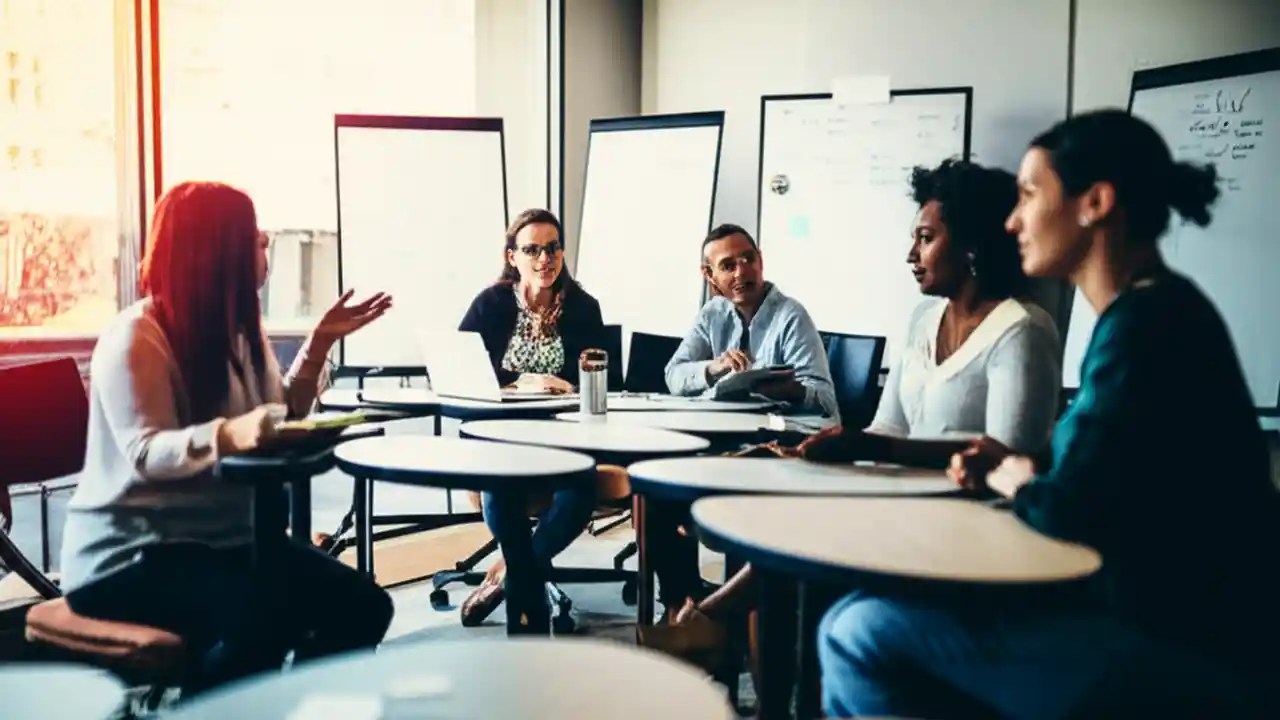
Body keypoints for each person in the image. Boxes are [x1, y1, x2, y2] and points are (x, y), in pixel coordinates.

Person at [820, 110, 1279, 718]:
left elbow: (1069, 508)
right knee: (863, 612)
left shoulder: (1144, 328)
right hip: (1166, 617)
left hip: (1182, 644)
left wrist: (1016, 477)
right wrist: (1027, 464)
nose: (1013, 221)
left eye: (1031, 195)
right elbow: (1103, 467)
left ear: (1096, 204)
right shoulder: (1153, 312)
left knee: (856, 631)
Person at [668, 159, 1063, 679]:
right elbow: (888, 427)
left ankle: (710, 624)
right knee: (780, 512)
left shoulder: (1023, 330)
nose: (911, 254)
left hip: (968, 517)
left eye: (925, 239)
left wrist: (871, 448)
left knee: (801, 533)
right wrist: (819, 450)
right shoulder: (922, 320)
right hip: (901, 494)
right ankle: (730, 646)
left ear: (971, 245)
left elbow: (1006, 462)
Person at [58, 181, 394, 692]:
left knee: (365, 606)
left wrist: (319, 344)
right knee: (266, 620)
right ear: (217, 251)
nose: (265, 244)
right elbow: (147, 452)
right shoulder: (137, 335)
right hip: (131, 555)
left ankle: (291, 706)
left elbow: (280, 414)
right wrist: (231, 434)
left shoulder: (240, 331)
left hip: (225, 543)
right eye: (253, 237)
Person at [455, 208, 625, 631]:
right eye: (532, 249)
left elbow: (602, 379)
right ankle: (526, 600)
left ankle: (511, 575)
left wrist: (570, 384)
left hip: (564, 436)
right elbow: (462, 371)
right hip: (501, 435)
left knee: (578, 493)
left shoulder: (583, 307)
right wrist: (523, 381)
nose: (545, 258)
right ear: (512, 256)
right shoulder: (491, 304)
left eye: (552, 248)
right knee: (500, 490)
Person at [665, 223, 838, 419]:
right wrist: (714, 367)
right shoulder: (711, 313)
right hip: (726, 425)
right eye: (728, 266)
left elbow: (827, 401)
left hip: (779, 432)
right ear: (710, 275)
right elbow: (673, 376)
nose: (741, 272)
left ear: (760, 261)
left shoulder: (791, 316)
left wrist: (794, 391)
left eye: (748, 259)